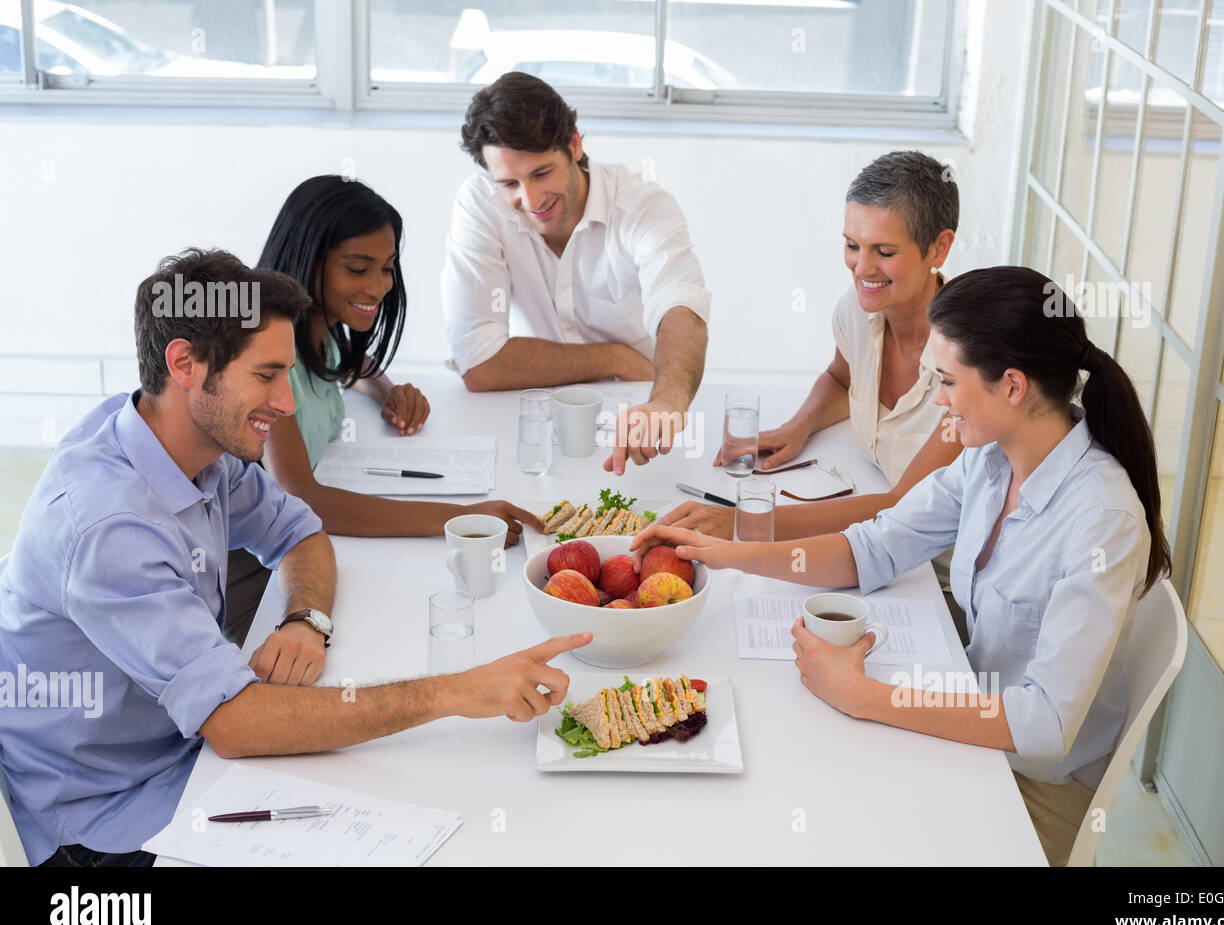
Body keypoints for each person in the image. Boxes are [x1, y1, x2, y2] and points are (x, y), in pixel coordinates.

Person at [0, 249, 589, 867]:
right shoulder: (111, 526)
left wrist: (307, 619)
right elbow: (235, 724)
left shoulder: (196, 445)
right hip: (108, 825)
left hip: (185, 755)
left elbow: (301, 531)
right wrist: (457, 692)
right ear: (184, 364)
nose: (286, 402)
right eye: (266, 375)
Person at [632, 266, 1172, 866]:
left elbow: (1045, 722)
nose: (938, 400)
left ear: (1012, 386)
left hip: (1030, 789)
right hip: (968, 723)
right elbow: (880, 544)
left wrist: (865, 695)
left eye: (946, 381)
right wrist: (734, 553)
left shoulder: (1101, 518)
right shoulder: (993, 458)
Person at [222, 175, 542, 645]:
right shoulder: (268, 359)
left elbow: (349, 364)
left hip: (304, 549)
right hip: (251, 576)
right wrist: (458, 518)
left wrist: (384, 389)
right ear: (308, 262)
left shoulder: (317, 330)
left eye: (387, 267)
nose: (379, 286)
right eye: (357, 268)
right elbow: (304, 498)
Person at [663, 151, 961, 542]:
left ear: (938, 249)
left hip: (938, 576)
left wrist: (746, 523)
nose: (862, 268)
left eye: (885, 252)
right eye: (852, 245)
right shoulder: (855, 310)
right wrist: (797, 427)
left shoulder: (967, 361)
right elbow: (842, 379)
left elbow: (903, 504)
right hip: (876, 539)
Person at [443, 71, 710, 476]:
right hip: (541, 418)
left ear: (574, 145)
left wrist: (668, 401)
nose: (530, 200)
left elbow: (680, 304)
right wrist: (616, 358)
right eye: (509, 183)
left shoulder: (642, 206)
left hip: (640, 414)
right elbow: (479, 361)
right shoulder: (480, 205)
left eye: (541, 173)